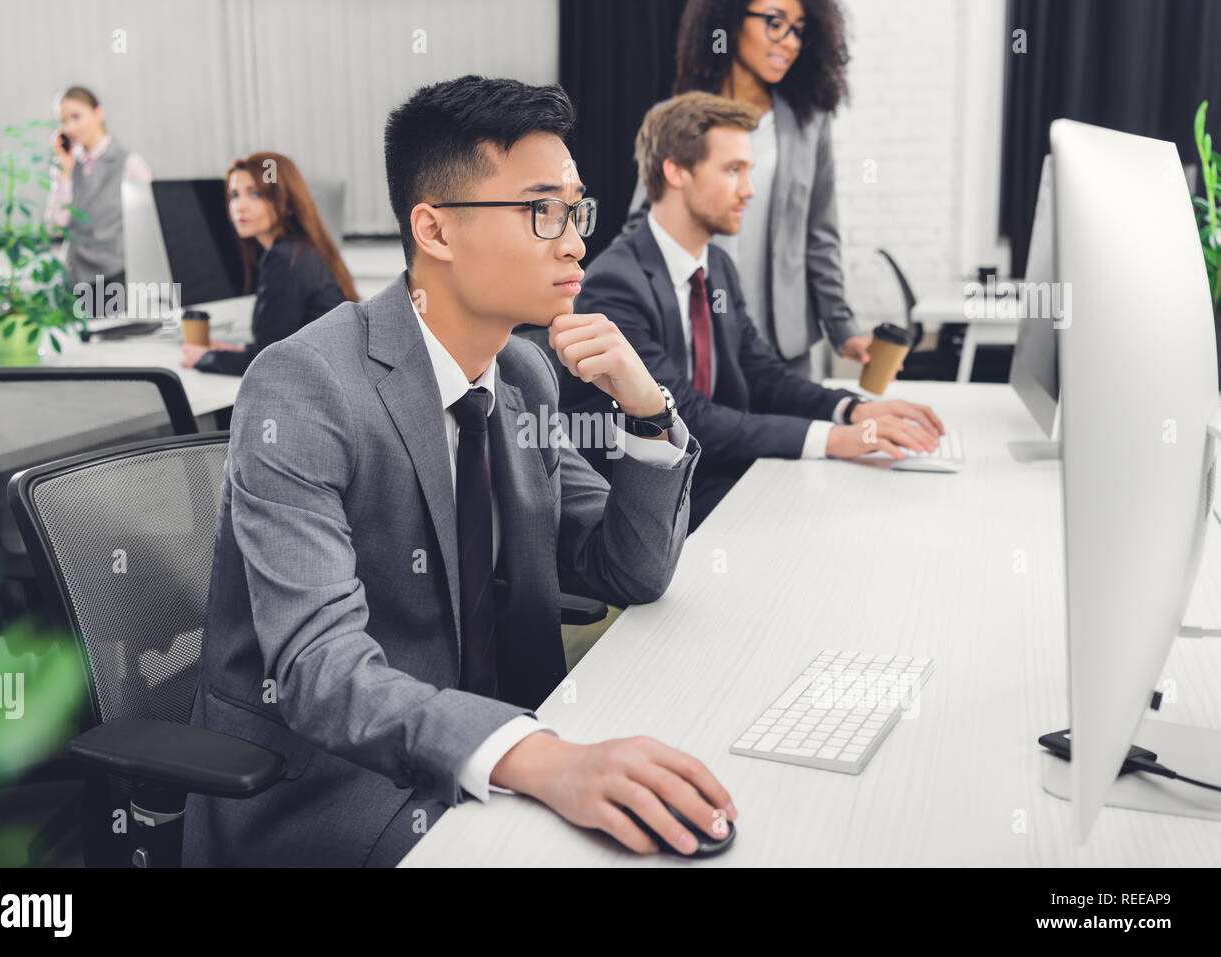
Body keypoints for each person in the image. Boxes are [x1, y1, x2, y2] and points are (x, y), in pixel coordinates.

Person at [182, 75, 737, 867]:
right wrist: (543, 757)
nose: (576, 240)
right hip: (331, 786)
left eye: (576, 210)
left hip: (495, 751)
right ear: (435, 231)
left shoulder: (524, 375)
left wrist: (649, 412)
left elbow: (627, 569)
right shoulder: (305, 384)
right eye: (543, 210)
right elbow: (320, 670)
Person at [562, 92, 944, 531]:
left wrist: (850, 411)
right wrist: (835, 439)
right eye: (733, 170)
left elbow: (763, 374)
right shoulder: (616, 283)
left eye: (749, 170)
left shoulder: (717, 267)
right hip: (648, 508)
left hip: (716, 476)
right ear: (676, 171)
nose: (750, 189)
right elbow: (686, 415)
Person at [621, 0, 866, 379]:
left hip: (783, 345)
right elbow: (642, 227)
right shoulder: (673, 118)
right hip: (693, 340)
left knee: (791, 435)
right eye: (775, 22)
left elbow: (820, 237)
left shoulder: (809, 126)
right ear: (730, 21)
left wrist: (842, 328)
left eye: (799, 30)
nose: (790, 42)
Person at [180, 152, 357, 375]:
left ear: (288, 203)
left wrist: (206, 358)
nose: (239, 207)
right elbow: (277, 345)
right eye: (234, 195)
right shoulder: (302, 251)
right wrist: (233, 351)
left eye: (255, 194)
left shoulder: (285, 259)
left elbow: (270, 362)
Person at [46, 85, 152, 317]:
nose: (70, 127)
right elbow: (55, 225)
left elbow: (148, 230)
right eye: (63, 121)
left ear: (98, 113)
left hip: (116, 277)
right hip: (75, 278)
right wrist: (63, 173)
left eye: (76, 117)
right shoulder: (66, 165)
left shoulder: (129, 164)